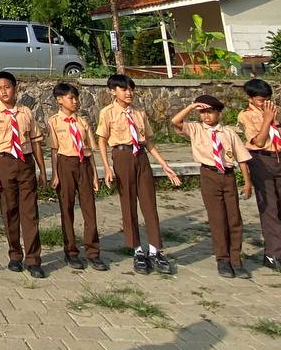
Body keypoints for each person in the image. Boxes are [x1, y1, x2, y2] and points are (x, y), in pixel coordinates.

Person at [97, 73, 181, 275]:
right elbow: (101, 140)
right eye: (124, 89)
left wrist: (164, 165)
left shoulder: (139, 113)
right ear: (113, 91)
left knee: (149, 203)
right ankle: (137, 250)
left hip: (141, 157)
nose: (129, 93)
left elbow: (149, 142)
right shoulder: (107, 113)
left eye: (130, 89)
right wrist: (107, 167)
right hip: (122, 156)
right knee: (129, 204)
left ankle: (155, 250)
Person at [172, 94, 252, 279]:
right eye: (203, 112)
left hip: (228, 176)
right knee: (217, 219)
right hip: (208, 175)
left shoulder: (229, 133)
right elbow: (175, 121)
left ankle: (236, 259)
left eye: (211, 112)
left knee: (234, 218)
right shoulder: (196, 129)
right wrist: (191, 107)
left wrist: (247, 183)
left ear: (219, 114)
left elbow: (242, 159)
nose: (206, 116)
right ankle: (222, 259)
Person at [0, 71, 47, 278]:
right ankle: (15, 255)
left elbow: (35, 142)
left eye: (7, 87)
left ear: (15, 88)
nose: (4, 91)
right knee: (9, 211)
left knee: (30, 212)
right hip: (3, 162)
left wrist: (42, 169)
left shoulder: (26, 112)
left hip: (25, 163)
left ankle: (33, 259)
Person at [47, 82, 107, 271]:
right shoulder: (54, 122)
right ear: (59, 100)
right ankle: (71, 252)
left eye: (76, 98)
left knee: (90, 210)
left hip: (83, 165)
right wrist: (55, 174)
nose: (75, 102)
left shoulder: (82, 122)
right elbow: (54, 151)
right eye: (70, 98)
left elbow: (90, 151)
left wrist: (96, 176)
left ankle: (93, 252)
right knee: (67, 208)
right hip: (65, 164)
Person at [235, 78, 281, 270]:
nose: (265, 103)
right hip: (260, 159)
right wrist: (268, 119)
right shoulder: (246, 116)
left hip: (277, 156)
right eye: (261, 100)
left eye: (267, 99)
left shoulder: (273, 109)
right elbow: (259, 141)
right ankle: (273, 253)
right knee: (269, 206)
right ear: (251, 99)